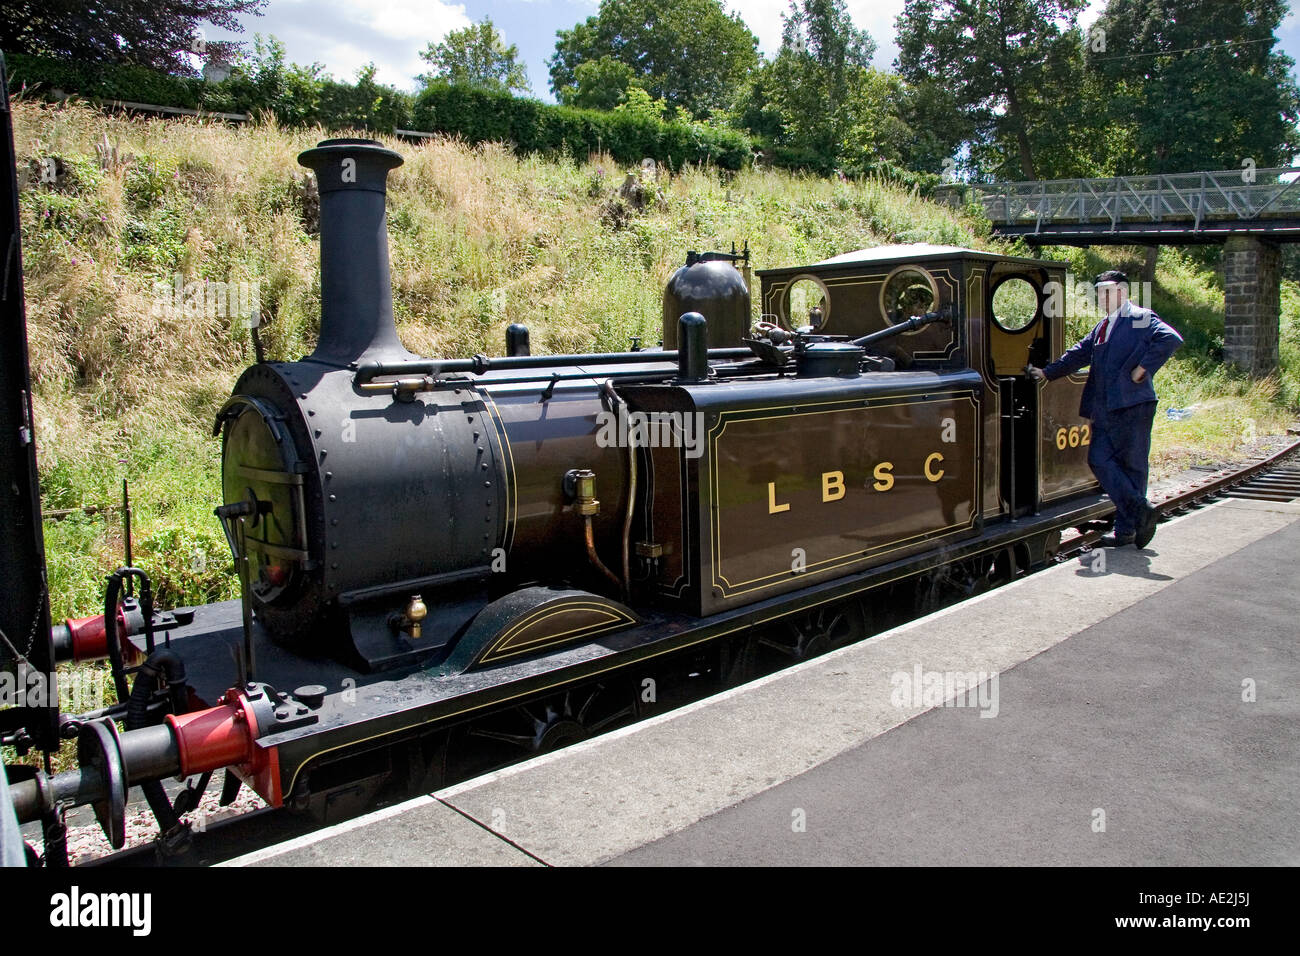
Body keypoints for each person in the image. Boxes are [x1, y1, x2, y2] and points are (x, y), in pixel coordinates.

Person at [1028, 270, 1183, 548]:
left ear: (1123, 292)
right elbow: (1078, 354)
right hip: (1105, 408)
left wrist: (1143, 368)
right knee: (1099, 460)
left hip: (1133, 405)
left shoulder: (1138, 319)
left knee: (1132, 466)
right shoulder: (1102, 327)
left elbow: (1169, 338)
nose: (1102, 297)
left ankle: (1126, 531)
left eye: (1108, 291)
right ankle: (1141, 510)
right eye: (1099, 292)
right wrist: (1047, 373)